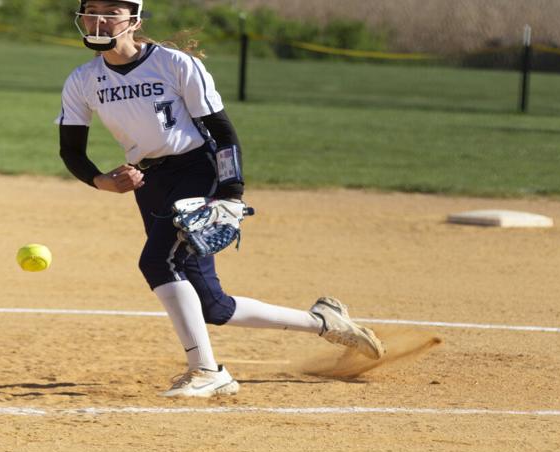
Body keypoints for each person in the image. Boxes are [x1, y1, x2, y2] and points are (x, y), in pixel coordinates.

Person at [55, 0, 384, 398]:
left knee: (157, 262)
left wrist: (231, 191)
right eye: (91, 10)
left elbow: (223, 132)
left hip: (198, 172)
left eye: (112, 12)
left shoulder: (174, 64)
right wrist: (101, 181)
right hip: (151, 184)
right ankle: (325, 322)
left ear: (134, 20)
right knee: (212, 305)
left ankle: (206, 371)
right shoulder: (83, 79)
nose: (99, 20)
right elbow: (71, 150)